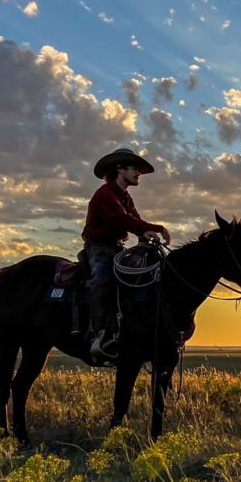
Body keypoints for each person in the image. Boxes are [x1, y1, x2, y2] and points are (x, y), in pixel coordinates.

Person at [82, 147, 171, 360]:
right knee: (102, 280)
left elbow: (134, 219)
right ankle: (100, 335)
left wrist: (146, 234)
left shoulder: (125, 197)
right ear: (120, 169)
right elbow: (122, 220)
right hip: (99, 248)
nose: (139, 174)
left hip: (116, 248)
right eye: (135, 169)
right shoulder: (105, 195)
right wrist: (153, 228)